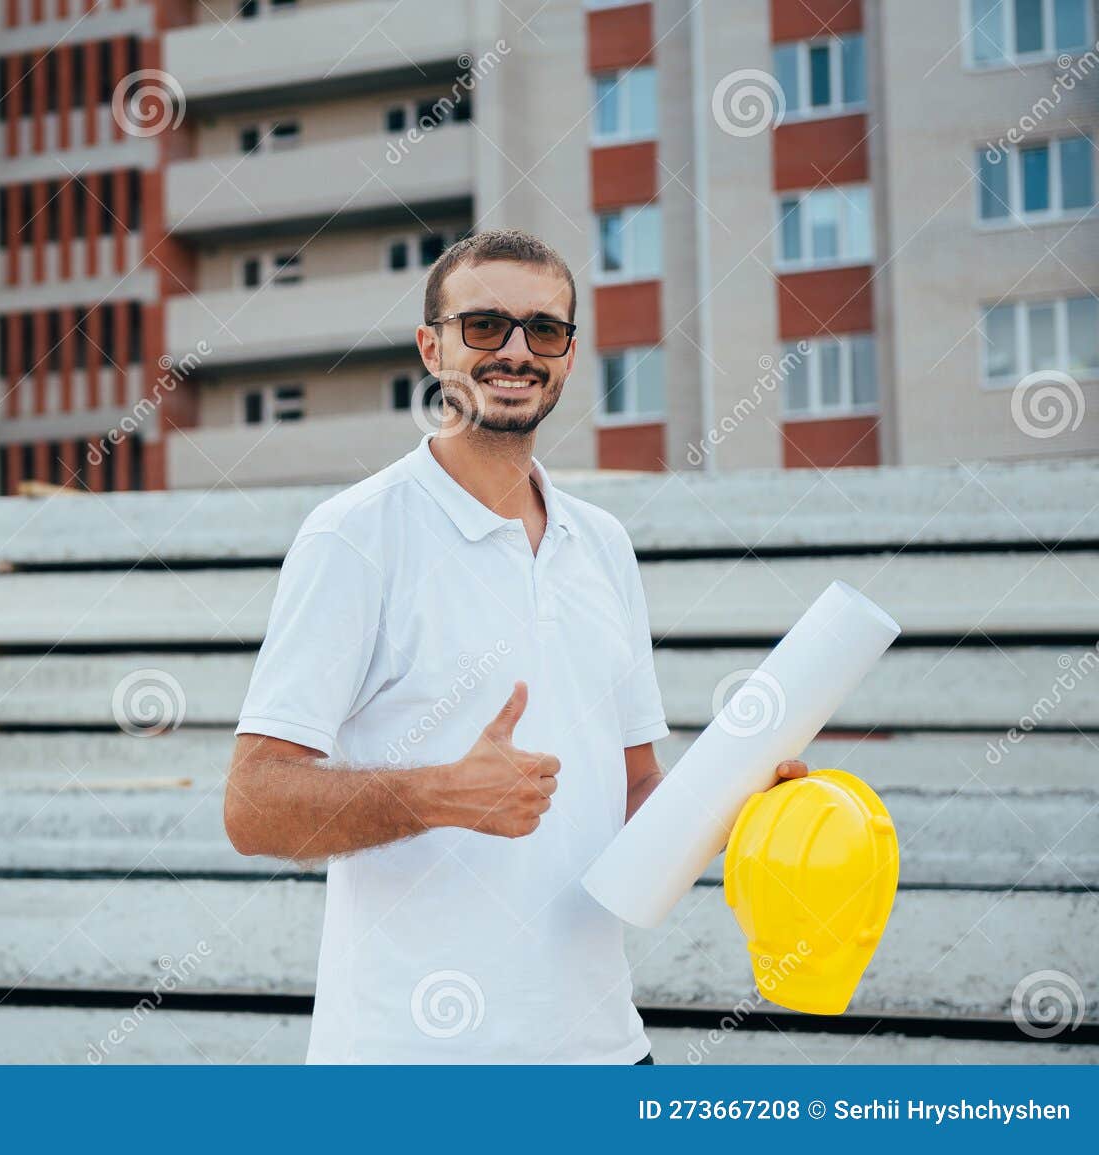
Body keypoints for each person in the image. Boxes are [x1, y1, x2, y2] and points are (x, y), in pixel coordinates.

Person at [223, 228, 807, 1064]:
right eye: (485, 325)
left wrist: (736, 805)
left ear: (569, 356)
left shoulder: (601, 544)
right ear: (433, 346)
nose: (517, 351)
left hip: (601, 1050)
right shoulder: (356, 536)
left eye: (545, 329)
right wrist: (439, 793)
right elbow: (251, 806)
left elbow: (636, 788)